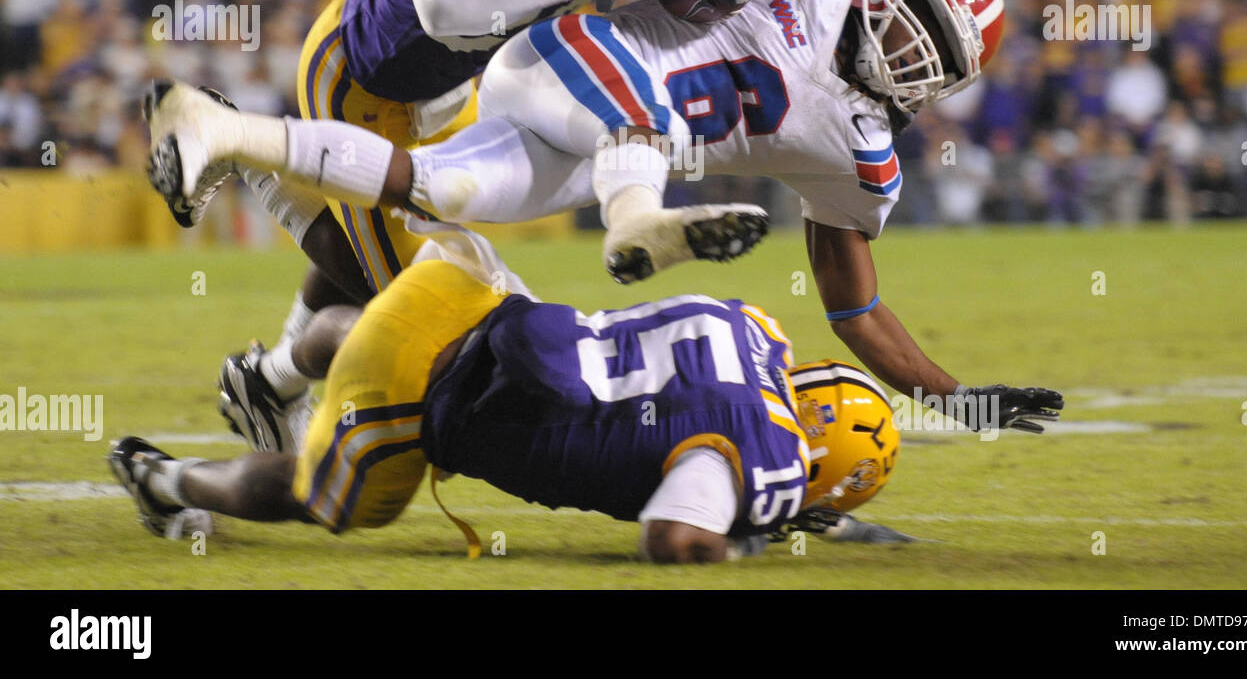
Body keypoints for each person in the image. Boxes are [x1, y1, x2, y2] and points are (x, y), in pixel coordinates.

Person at [144, 0, 1063, 450]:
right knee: (651, 124)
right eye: (915, 25)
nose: (912, 55)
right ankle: (637, 226)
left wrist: (955, 397)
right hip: (575, 59)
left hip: (591, 151)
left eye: (937, 56)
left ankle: (229, 137)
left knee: (432, 192)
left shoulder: (865, 160)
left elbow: (855, 307)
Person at [150, 0, 763, 453]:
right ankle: (251, 162)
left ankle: (269, 380)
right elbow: (447, 5)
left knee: (390, 238)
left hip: (456, 85)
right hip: (368, 73)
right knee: (408, 297)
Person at [109, 228, 904, 563]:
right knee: (327, 498)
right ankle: (164, 481)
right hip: (429, 399)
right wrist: (731, 542)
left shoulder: (755, 328)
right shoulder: (754, 458)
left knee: (378, 326)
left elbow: (729, 417)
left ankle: (273, 372)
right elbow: (671, 536)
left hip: (476, 303)